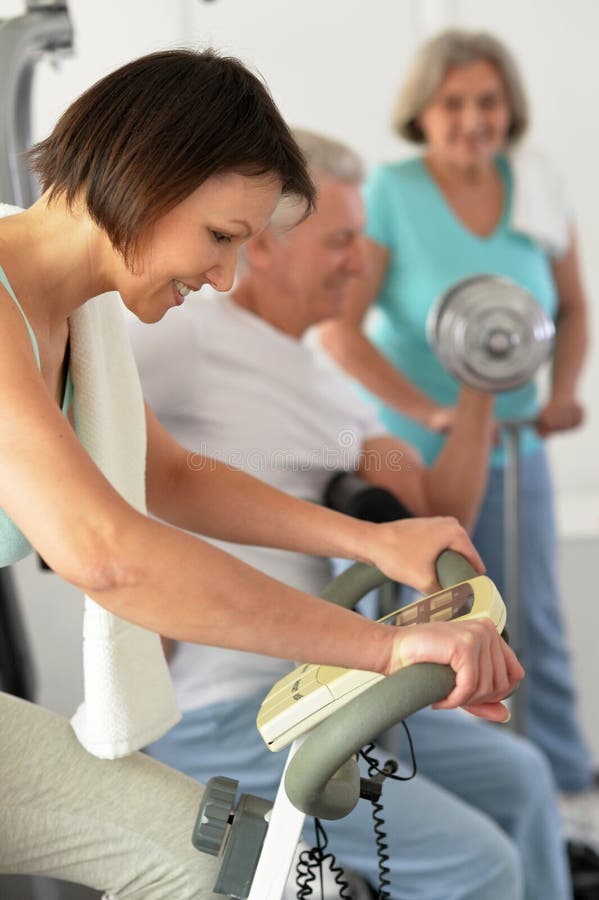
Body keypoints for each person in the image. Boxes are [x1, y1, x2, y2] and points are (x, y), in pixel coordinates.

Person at [0, 50, 523, 898]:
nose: (224, 277)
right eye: (220, 237)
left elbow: (170, 475)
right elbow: (108, 554)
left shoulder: (75, 313)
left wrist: (369, 541)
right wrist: (384, 648)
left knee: (206, 863)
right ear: (146, 179)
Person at [128, 129, 571, 900]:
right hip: (228, 706)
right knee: (478, 866)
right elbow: (88, 424)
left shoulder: (327, 386)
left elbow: (430, 509)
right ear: (264, 246)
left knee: (522, 777)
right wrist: (136, 630)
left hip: (325, 680)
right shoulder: (189, 339)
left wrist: (477, 378)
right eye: (340, 241)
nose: (360, 263)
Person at [318, 29, 594, 822]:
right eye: (453, 103)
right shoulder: (391, 192)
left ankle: (564, 790)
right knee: (438, 625)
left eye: (488, 102)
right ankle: (451, 791)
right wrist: (428, 409)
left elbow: (572, 307)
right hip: (415, 451)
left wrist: (563, 391)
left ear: (510, 109)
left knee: (531, 617)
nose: (473, 120)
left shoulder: (533, 181)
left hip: (513, 442)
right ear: (422, 111)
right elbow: (339, 330)